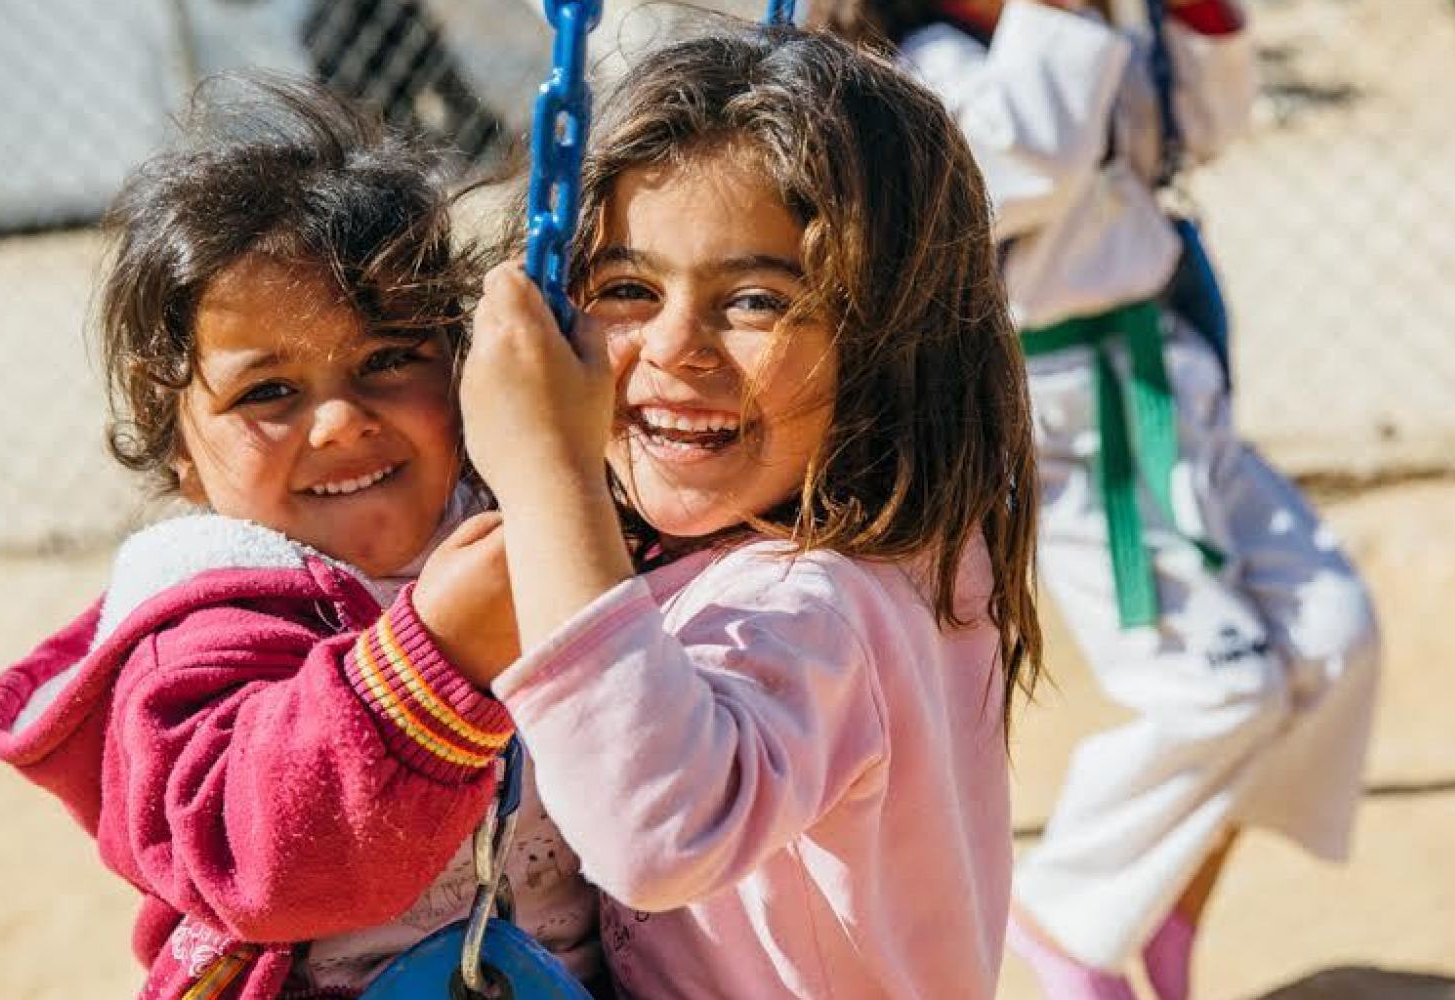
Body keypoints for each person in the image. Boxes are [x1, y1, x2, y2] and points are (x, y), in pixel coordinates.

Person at [424, 24, 1043, 999]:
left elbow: (655, 829)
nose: (673, 346)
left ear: (888, 339)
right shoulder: (914, 538)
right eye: (625, 287)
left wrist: (550, 476)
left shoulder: (813, 610)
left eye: (755, 300)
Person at [804, 2, 1383, 999]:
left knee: (1333, 638)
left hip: (1167, 379)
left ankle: (1162, 902)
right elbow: (1028, 166)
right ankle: (1064, 916)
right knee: (1216, 692)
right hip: (1061, 416)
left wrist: (1200, 25)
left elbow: (1193, 131)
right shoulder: (905, 75)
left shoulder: (1112, 25)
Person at [0, 77, 599, 1000]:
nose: (342, 420)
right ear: (179, 449)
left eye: (388, 359)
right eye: (268, 392)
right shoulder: (198, 627)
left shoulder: (518, 515)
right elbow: (260, 862)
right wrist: (434, 664)